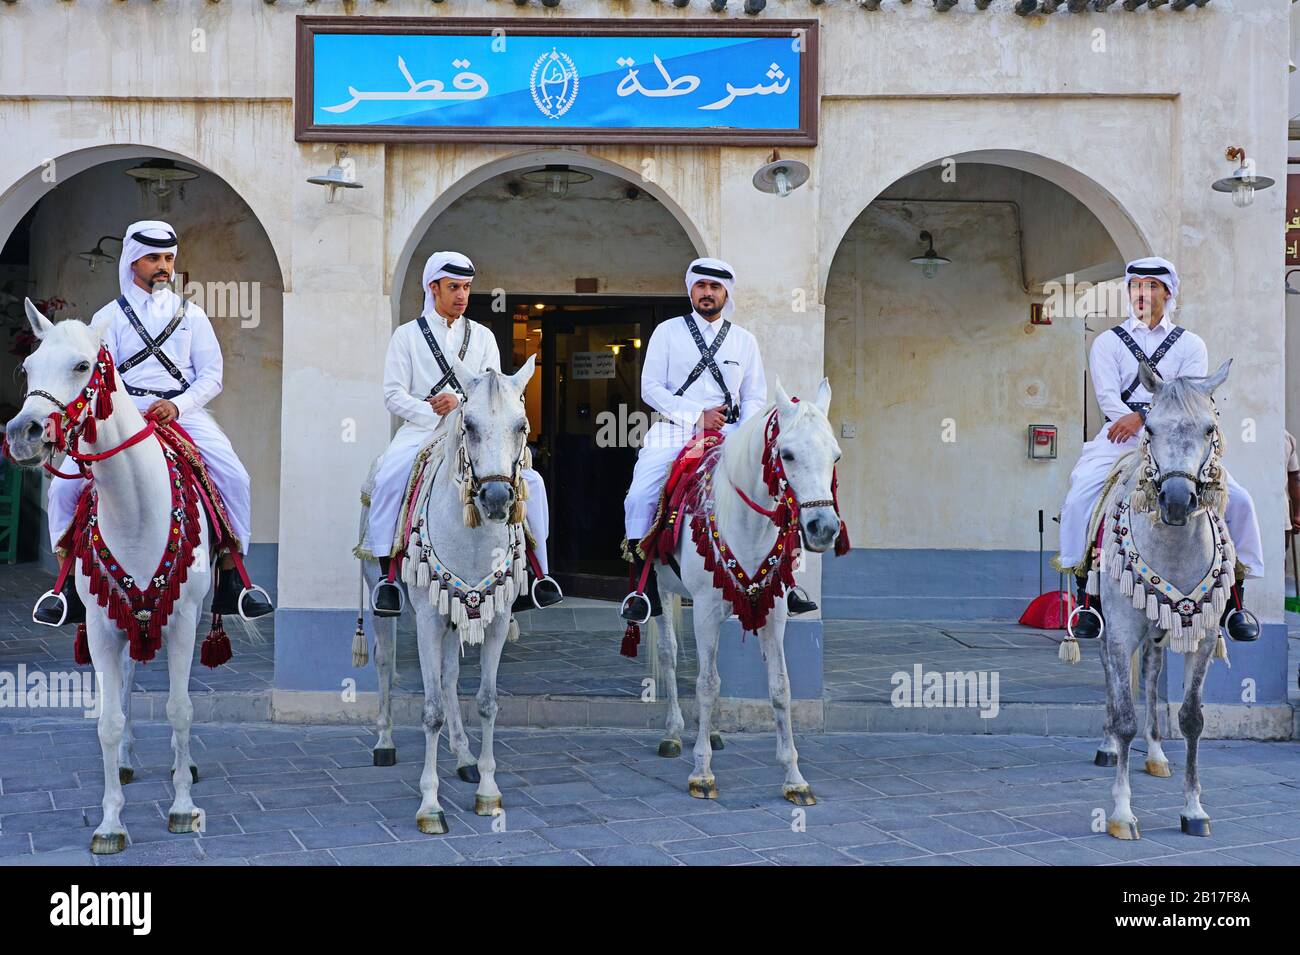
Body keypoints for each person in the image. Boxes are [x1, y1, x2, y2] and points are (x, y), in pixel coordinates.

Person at [37, 219, 273, 623]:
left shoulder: (193, 315)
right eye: (153, 258)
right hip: (119, 415)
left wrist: (178, 406)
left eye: (168, 258)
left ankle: (233, 579)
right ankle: (66, 585)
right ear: (133, 261)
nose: (163, 266)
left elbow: (211, 375)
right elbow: (98, 377)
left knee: (236, 476)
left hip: (182, 413)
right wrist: (131, 407)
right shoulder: (105, 319)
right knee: (61, 488)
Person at [1057, 256, 1262, 641]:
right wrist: (1137, 420)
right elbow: (1108, 399)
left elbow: (1190, 397)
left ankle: (1235, 599)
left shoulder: (1190, 344)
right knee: (1080, 498)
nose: (1142, 293)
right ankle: (1087, 596)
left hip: (1178, 442)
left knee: (1241, 501)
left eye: (1152, 286)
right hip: (1120, 439)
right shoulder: (1107, 343)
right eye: (1136, 286)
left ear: (1167, 294)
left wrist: (1149, 417)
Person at [363, 250, 560, 616]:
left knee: (531, 481)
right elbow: (392, 394)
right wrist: (431, 409)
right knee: (390, 476)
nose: (462, 296)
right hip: (421, 432)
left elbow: (495, 394)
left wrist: (463, 408)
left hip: (475, 434)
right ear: (432, 287)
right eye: (454, 287)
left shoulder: (483, 336)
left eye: (467, 288)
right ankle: (387, 575)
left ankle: (538, 572)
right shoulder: (406, 336)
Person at [621, 256, 816, 622]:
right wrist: (696, 416)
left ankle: (788, 583)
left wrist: (742, 436)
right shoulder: (667, 332)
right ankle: (643, 587)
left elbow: (756, 396)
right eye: (701, 286)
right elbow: (650, 388)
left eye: (715, 288)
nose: (707, 293)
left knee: (777, 488)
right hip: (674, 431)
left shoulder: (743, 340)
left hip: (732, 433)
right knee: (639, 496)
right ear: (690, 290)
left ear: (726, 293)